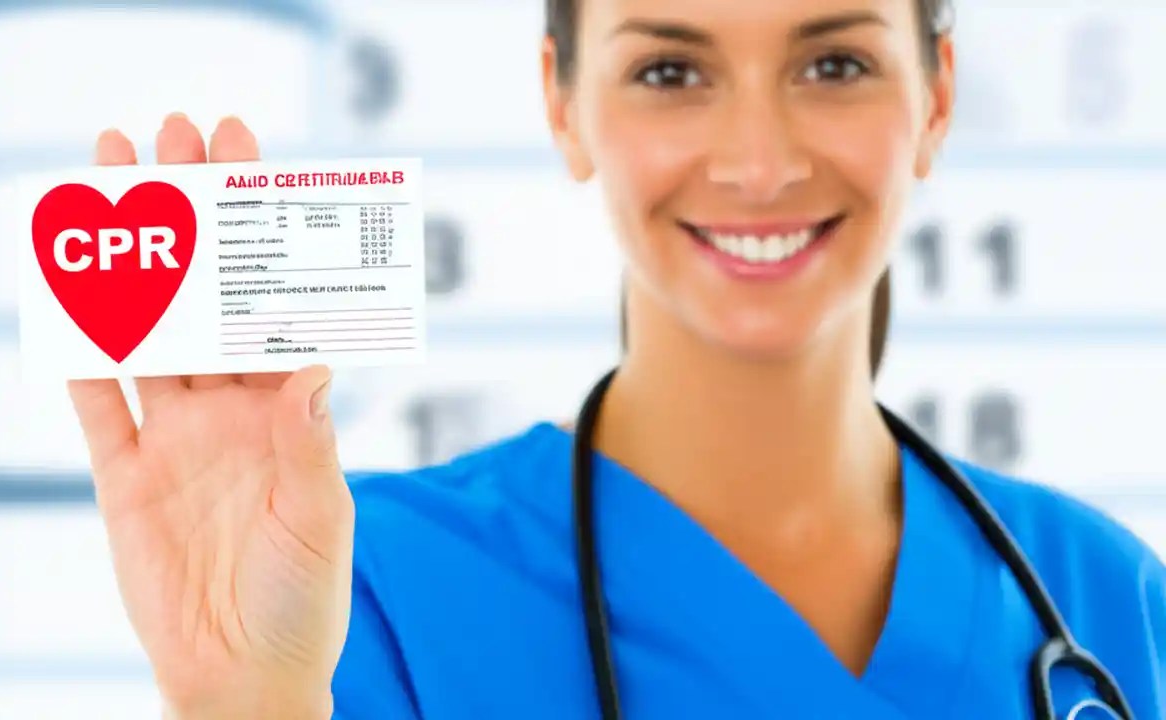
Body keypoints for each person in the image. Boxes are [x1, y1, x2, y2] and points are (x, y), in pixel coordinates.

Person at [69, 0, 1166, 717]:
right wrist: (240, 698)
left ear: (935, 99)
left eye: (833, 64)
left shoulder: (1109, 600)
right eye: (668, 72)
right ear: (563, 102)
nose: (756, 161)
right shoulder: (365, 589)